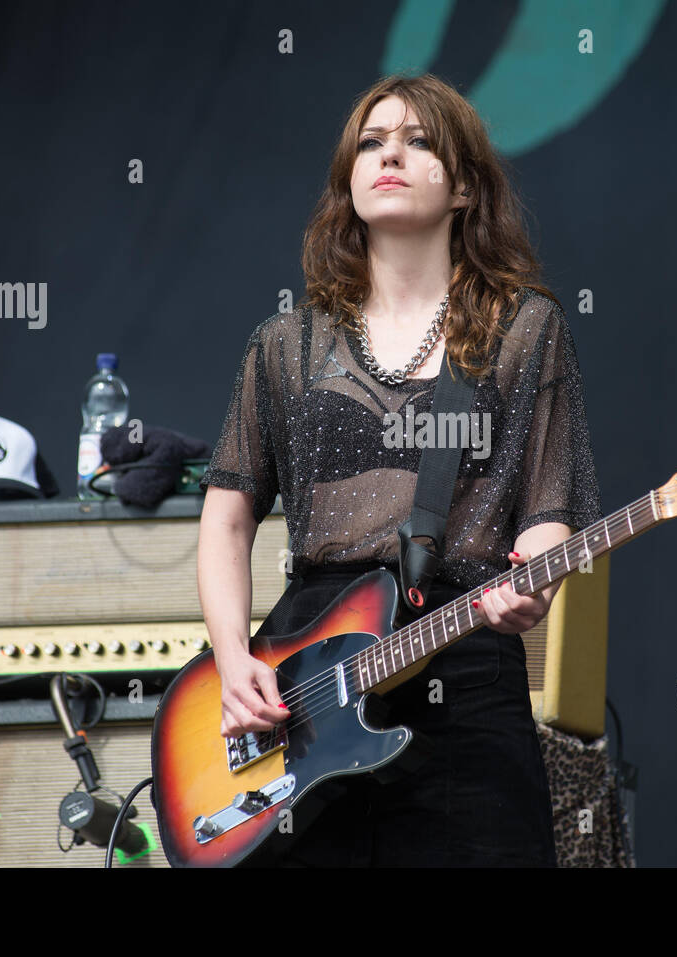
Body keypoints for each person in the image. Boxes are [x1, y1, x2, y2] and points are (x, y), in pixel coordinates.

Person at [196, 73, 602, 866]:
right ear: (348, 180)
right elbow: (227, 513)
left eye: (419, 142)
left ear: (463, 189)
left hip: (465, 656)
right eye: (373, 142)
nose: (392, 154)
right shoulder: (286, 343)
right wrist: (230, 654)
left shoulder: (525, 328)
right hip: (308, 676)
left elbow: (550, 502)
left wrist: (538, 575)